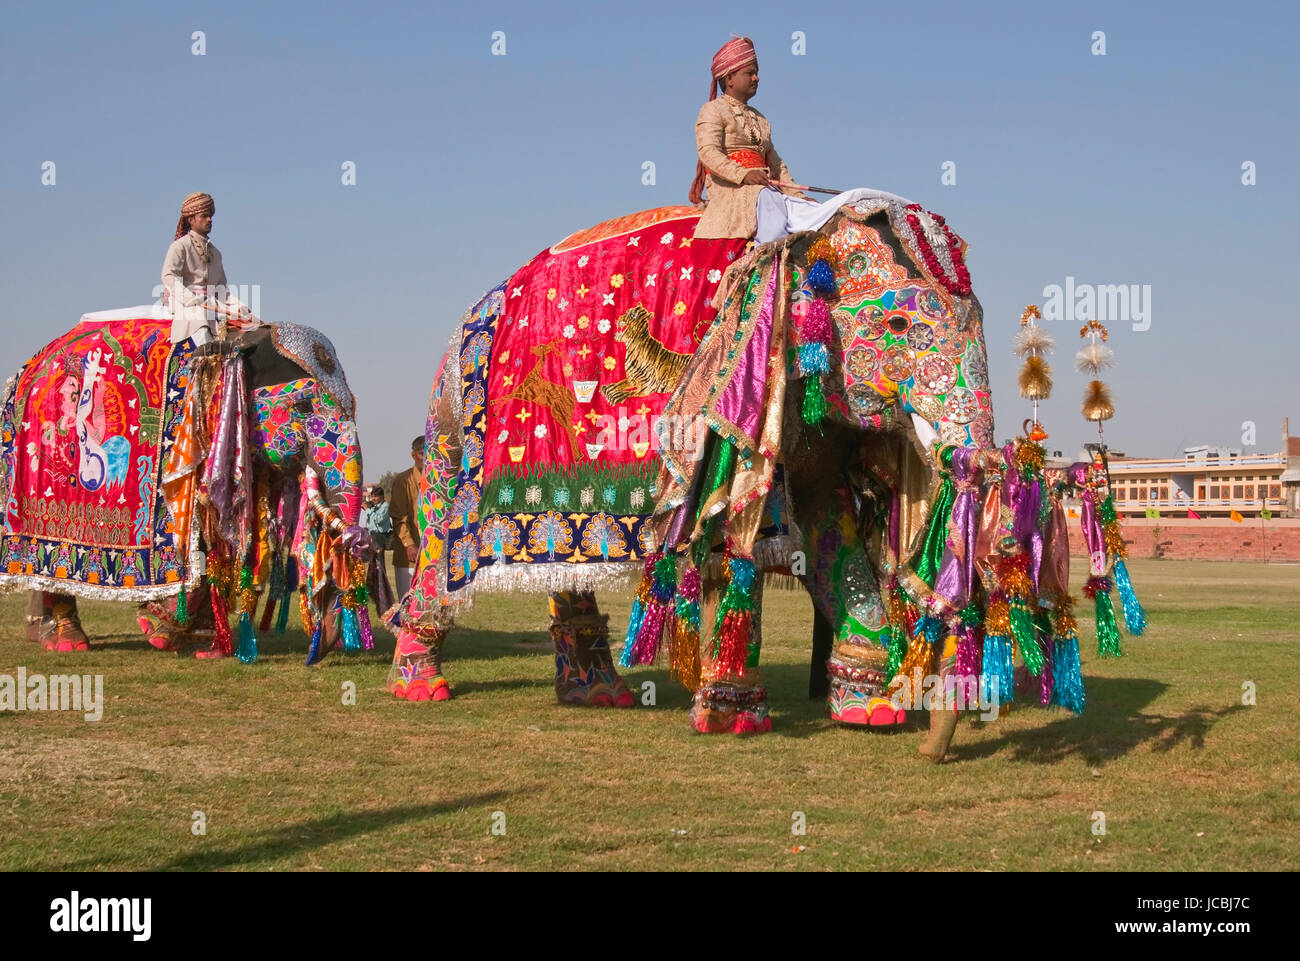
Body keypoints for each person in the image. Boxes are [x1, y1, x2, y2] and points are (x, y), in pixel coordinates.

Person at [689, 37, 808, 240]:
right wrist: (743, 174)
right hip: (730, 192)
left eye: (757, 73)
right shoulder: (713, 110)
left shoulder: (760, 118)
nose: (756, 78)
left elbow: (777, 166)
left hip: (764, 189)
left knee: (809, 212)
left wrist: (800, 198)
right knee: (768, 199)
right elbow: (708, 152)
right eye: (750, 73)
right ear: (729, 79)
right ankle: (765, 258)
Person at [160, 191, 256, 345]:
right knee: (201, 322)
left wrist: (239, 306)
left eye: (210, 216)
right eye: (204, 216)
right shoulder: (180, 246)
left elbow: (221, 289)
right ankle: (199, 364)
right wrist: (190, 299)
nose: (209, 219)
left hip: (212, 302)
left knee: (251, 325)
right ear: (191, 219)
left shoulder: (216, 253)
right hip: (186, 304)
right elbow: (168, 276)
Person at [388, 436, 426, 598]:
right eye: (422, 453)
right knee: (408, 602)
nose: (427, 457)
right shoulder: (403, 481)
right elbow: (398, 517)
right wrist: (409, 544)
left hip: (434, 552)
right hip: (409, 554)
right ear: (414, 455)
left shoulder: (440, 482)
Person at [362, 485, 392, 553]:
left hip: (380, 536)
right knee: (372, 559)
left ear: (381, 496)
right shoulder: (374, 507)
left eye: (375, 496)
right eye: (372, 496)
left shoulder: (385, 506)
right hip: (373, 534)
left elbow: (379, 520)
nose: (373, 499)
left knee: (379, 558)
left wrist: (367, 510)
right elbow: (369, 521)